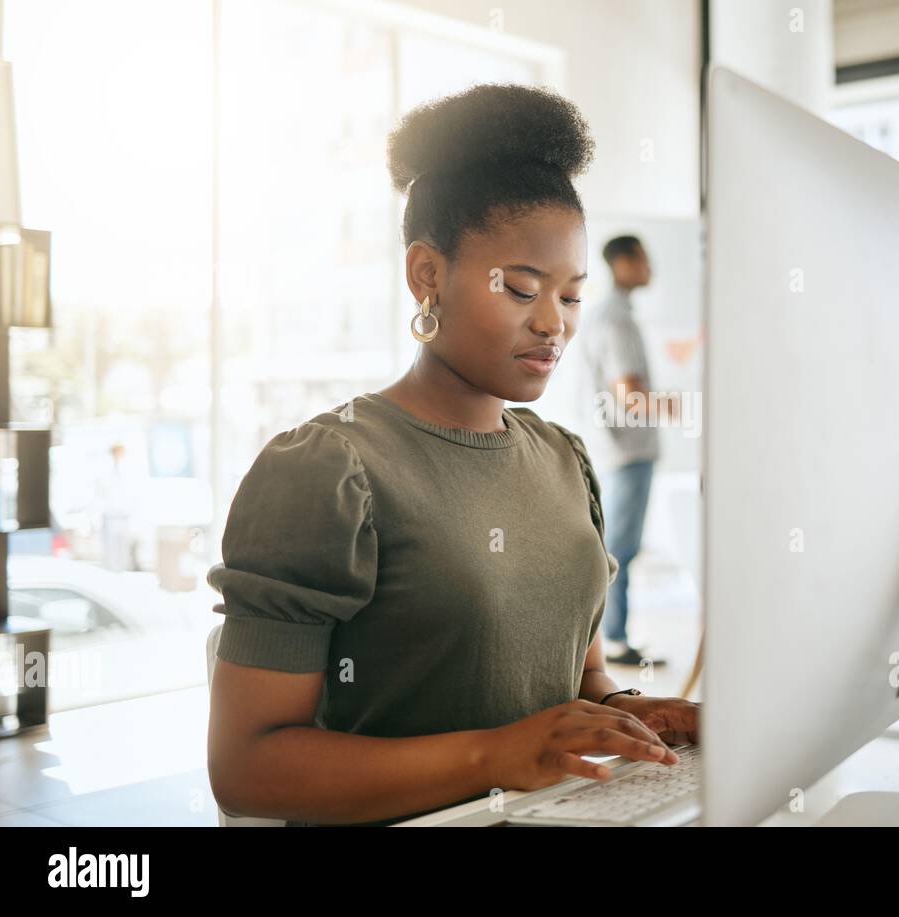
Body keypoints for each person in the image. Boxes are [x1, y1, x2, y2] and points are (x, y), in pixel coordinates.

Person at [205, 84, 699, 827]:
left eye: (570, 297)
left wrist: (632, 711)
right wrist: (495, 754)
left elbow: (582, 676)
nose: (551, 325)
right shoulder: (330, 469)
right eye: (522, 288)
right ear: (427, 275)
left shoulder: (565, 460)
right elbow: (247, 768)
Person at [581, 236, 675, 667]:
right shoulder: (618, 321)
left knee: (618, 544)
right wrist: (692, 406)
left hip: (619, 449)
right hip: (629, 450)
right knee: (621, 547)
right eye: (644, 257)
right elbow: (630, 396)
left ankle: (613, 639)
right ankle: (613, 641)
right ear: (623, 263)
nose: (650, 266)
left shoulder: (608, 316)